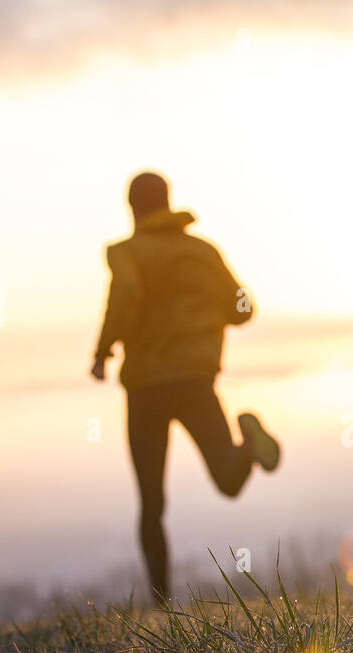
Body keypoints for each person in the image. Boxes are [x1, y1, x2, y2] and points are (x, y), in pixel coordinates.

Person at [91, 171, 280, 604]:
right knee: (228, 481)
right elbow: (243, 308)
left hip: (146, 389)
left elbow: (122, 300)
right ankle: (249, 444)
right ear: (168, 200)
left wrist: (102, 352)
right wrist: (204, 311)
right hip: (196, 380)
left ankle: (160, 603)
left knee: (152, 501)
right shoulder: (202, 252)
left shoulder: (129, 253)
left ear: (133, 208)